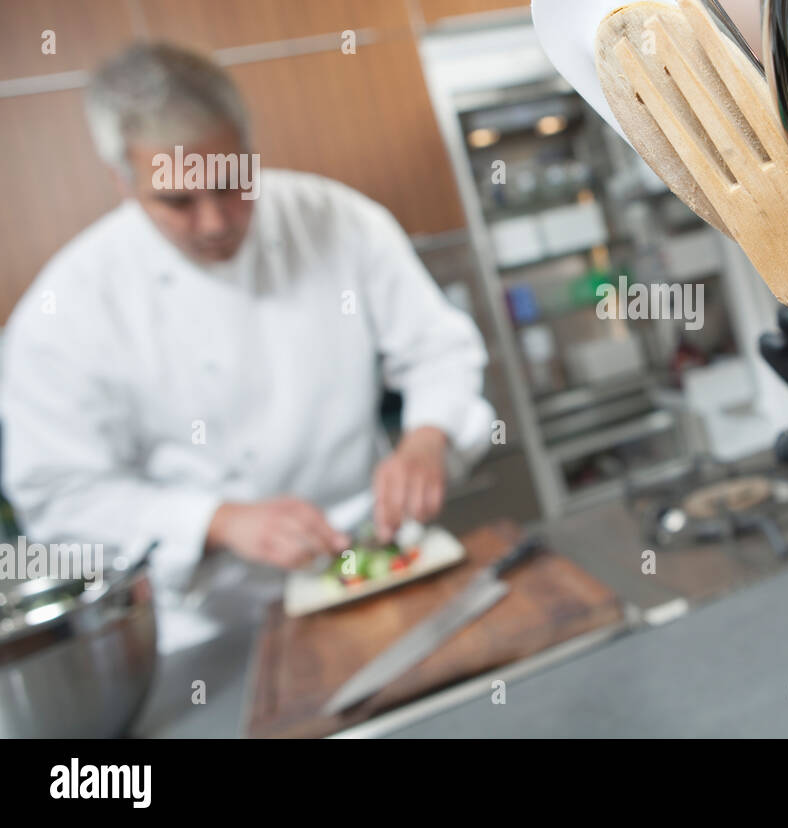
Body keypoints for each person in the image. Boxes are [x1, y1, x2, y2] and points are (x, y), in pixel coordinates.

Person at [0, 42, 495, 650]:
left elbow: (436, 349)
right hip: (211, 625)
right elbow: (58, 496)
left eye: (232, 184)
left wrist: (428, 436)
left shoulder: (336, 220)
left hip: (372, 566)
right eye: (178, 201)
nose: (215, 222)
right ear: (122, 183)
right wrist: (215, 520)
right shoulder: (66, 310)